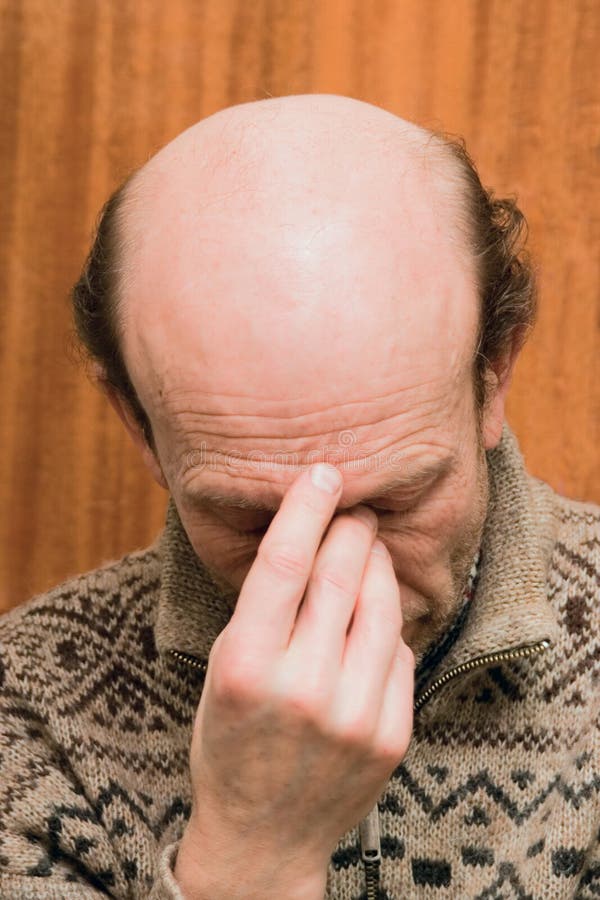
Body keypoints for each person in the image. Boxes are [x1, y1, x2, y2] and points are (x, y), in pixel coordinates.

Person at [0, 94, 598, 900]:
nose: (335, 574)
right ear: (137, 424)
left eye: (399, 500)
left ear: (494, 372)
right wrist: (253, 852)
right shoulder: (28, 710)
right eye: (253, 518)